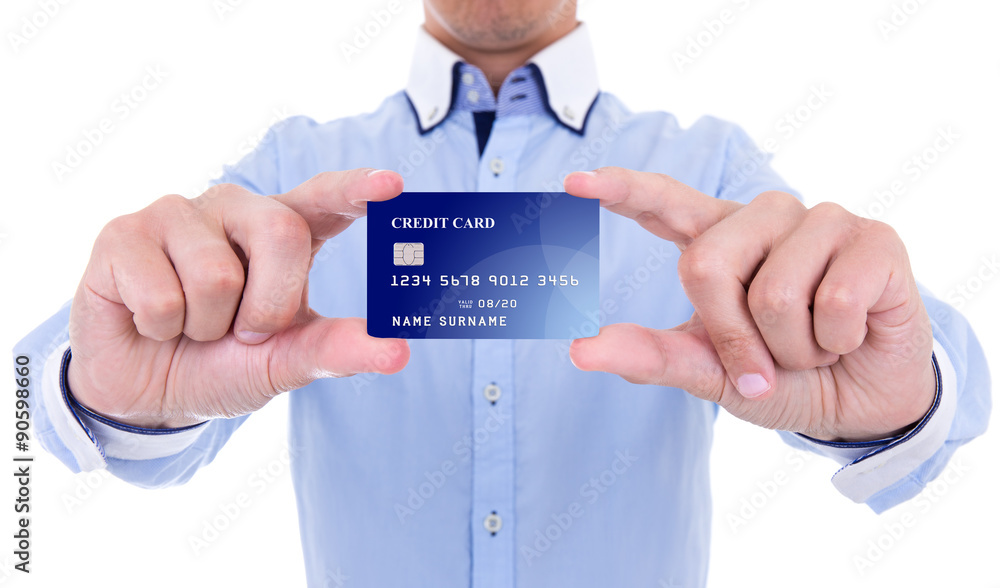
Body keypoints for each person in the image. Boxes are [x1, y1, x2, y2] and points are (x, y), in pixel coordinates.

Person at [16, 1, 990, 586]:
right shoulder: (297, 169)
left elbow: (958, 398)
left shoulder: (705, 168)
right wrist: (103, 386)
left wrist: (902, 395)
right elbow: (28, 399)